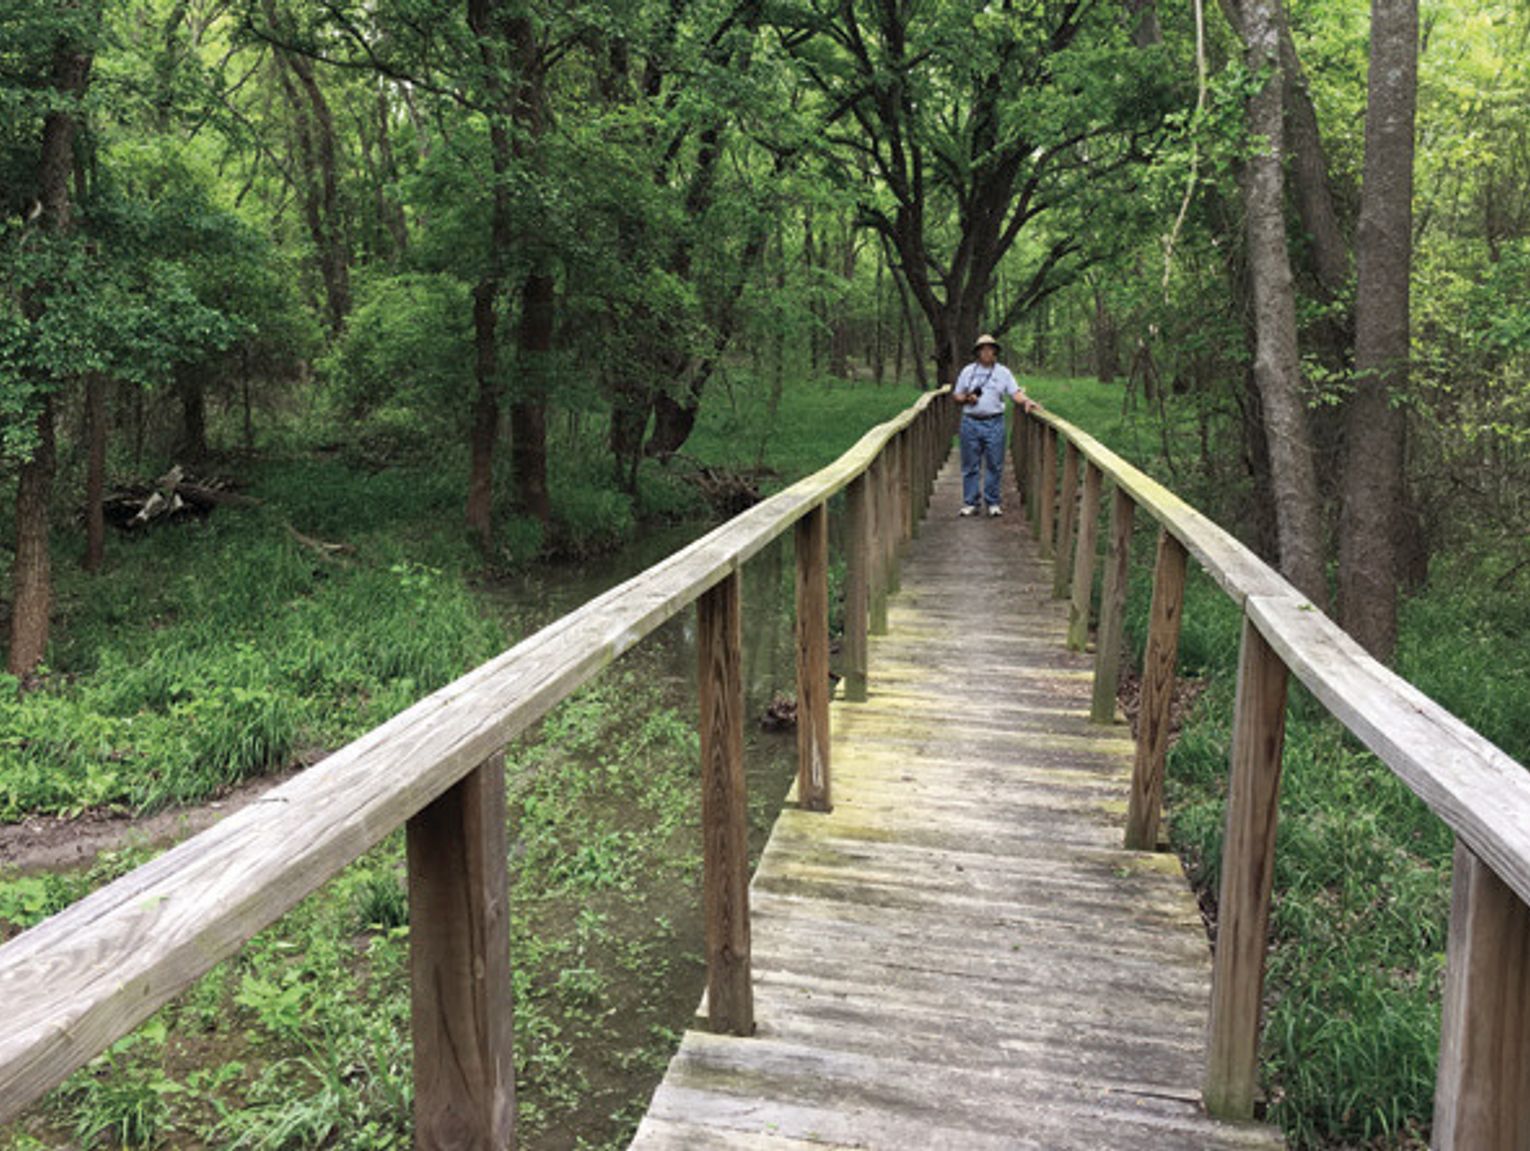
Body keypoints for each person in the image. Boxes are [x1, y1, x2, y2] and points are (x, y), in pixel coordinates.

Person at [952, 334, 1036, 517]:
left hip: (995, 422)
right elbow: (956, 395)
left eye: (990, 348)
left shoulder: (1003, 372)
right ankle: (970, 502)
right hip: (970, 422)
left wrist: (1026, 401)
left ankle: (992, 502)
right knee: (970, 465)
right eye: (983, 349)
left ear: (995, 351)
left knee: (994, 464)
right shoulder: (967, 371)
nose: (987, 352)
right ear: (977, 352)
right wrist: (966, 398)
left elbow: (1015, 393)